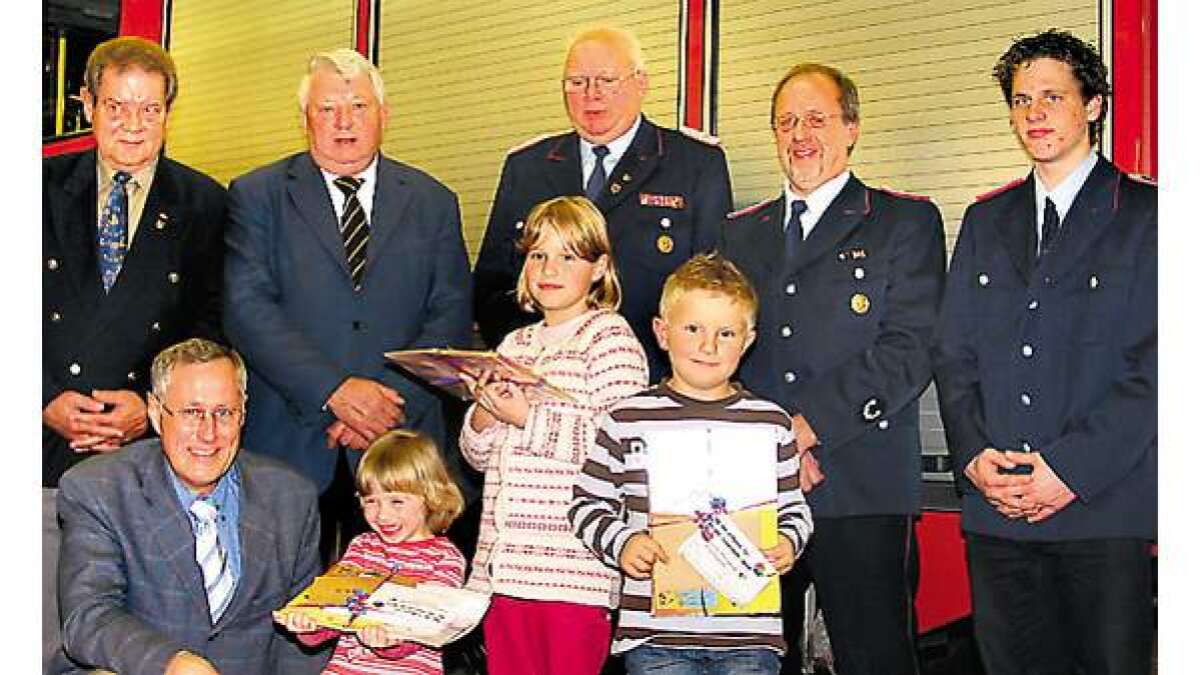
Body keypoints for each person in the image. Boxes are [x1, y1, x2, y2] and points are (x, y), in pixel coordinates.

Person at [932, 29, 1156, 675]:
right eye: (1021, 100)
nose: (1033, 113)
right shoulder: (985, 220)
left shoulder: (1150, 216)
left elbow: (1160, 367)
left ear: (1093, 106)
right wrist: (973, 456)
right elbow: (953, 354)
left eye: (1052, 96)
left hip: (1100, 512)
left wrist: (1069, 470)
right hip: (997, 518)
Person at [720, 63, 946, 674]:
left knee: (876, 658)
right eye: (786, 121)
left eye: (816, 119)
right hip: (753, 491)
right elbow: (718, 352)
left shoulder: (903, 221)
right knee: (753, 659)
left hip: (862, 483)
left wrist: (808, 428)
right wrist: (775, 444)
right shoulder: (738, 234)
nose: (800, 134)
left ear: (851, 129)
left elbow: (910, 346)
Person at [223, 48, 472, 562]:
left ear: (385, 114)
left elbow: (449, 316)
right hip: (289, 440)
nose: (343, 122)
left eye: (358, 106)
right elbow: (247, 309)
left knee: (401, 619)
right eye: (327, 109)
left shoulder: (433, 201)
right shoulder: (256, 195)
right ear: (304, 120)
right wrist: (333, 392)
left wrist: (386, 404)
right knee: (288, 609)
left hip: (402, 445)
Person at [42, 36, 226, 671]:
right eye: (117, 106)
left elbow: (210, 328)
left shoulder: (205, 203)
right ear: (87, 104)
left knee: (138, 638)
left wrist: (150, 411)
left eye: (149, 109)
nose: (132, 124)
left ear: (170, 113)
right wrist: (41, 399)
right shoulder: (33, 187)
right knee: (42, 630)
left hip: (148, 454)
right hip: (42, 451)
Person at [569, 252, 812, 674]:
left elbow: (795, 509)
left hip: (750, 636)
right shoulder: (626, 419)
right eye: (693, 328)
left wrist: (788, 543)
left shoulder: (771, 423)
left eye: (726, 333)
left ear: (748, 340)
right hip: (655, 636)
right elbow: (585, 504)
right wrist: (623, 543)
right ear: (662, 333)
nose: (708, 345)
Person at [472, 26, 733, 382]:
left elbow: (713, 290)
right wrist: (527, 364)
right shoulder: (528, 167)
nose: (591, 95)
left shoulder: (695, 163)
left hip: (652, 383)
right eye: (576, 82)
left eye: (607, 80)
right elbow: (493, 287)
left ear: (641, 83)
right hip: (540, 383)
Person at [52, 338, 327, 675]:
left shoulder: (291, 497)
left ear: (243, 413)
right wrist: (172, 663)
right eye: (192, 413)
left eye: (223, 413)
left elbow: (302, 639)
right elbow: (89, 619)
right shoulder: (100, 489)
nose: (208, 433)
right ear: (155, 413)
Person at [459, 196, 649, 675]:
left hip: (574, 574)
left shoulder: (610, 338)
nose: (549, 267)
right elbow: (479, 457)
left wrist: (527, 417)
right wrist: (483, 415)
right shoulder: (514, 344)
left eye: (568, 256)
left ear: (600, 267)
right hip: (504, 570)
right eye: (538, 254)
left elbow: (622, 448)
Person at [281, 429, 467, 674]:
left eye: (396, 501)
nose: (382, 515)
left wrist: (391, 640)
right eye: (371, 501)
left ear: (431, 496)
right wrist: (310, 624)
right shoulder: (362, 546)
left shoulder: (445, 558)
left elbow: (428, 626)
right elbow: (334, 606)